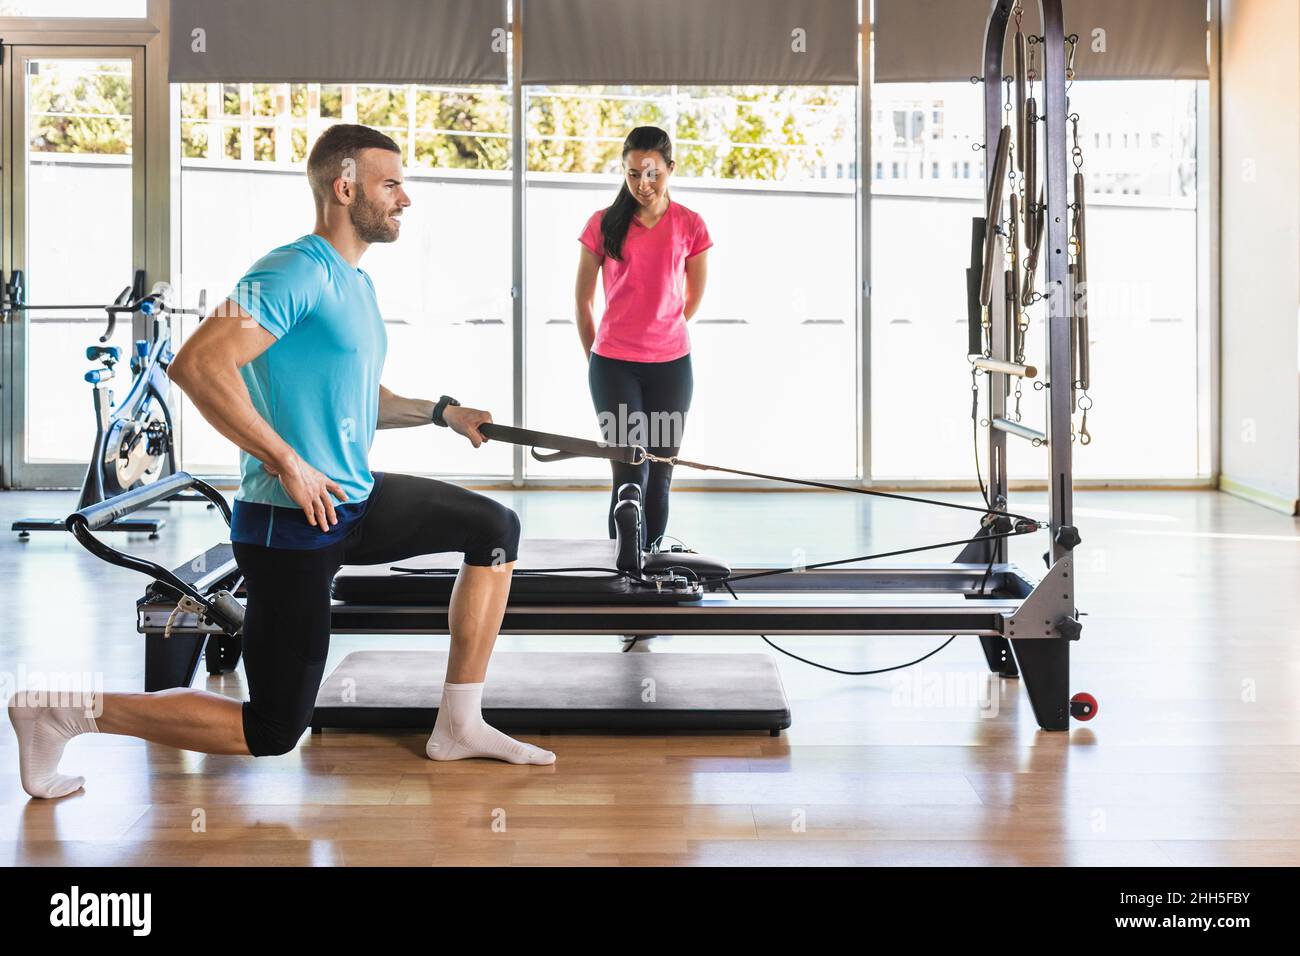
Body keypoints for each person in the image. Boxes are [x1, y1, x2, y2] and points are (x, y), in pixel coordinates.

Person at [9, 124, 554, 800]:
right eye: (392, 183)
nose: (405, 198)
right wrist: (288, 462)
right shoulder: (293, 269)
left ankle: (459, 723)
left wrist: (442, 412)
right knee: (271, 729)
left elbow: (359, 396)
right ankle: (60, 711)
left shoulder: (355, 284)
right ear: (344, 187)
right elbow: (199, 364)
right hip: (287, 519)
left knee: (493, 528)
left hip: (351, 501)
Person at [575, 126, 712, 547]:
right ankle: (623, 567)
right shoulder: (602, 224)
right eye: (633, 174)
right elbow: (582, 303)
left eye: (652, 173)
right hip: (613, 367)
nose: (643, 184)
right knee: (630, 471)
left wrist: (660, 330)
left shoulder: (690, 225)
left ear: (670, 169)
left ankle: (649, 565)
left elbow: (690, 300)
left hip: (672, 369)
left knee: (661, 474)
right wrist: (599, 360)